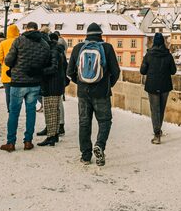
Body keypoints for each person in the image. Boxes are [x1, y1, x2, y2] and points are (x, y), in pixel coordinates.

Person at [68, 23, 120, 166]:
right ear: (100, 34)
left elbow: (70, 71)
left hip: (83, 93)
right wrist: (107, 85)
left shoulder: (78, 48)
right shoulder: (107, 48)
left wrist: (81, 83)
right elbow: (116, 72)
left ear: (87, 34)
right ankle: (100, 145)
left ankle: (85, 156)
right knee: (105, 121)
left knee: (84, 123)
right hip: (102, 92)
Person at [0, 22, 53, 152]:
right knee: (31, 112)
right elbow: (46, 63)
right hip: (34, 83)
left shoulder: (19, 40)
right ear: (37, 29)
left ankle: (11, 142)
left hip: (18, 82)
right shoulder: (44, 44)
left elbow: (8, 60)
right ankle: (28, 141)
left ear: (26, 29)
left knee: (14, 113)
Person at [140, 32, 177, 144]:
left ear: (154, 43)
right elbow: (173, 71)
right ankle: (158, 130)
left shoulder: (149, 55)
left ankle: (157, 134)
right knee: (161, 109)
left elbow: (142, 71)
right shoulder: (168, 55)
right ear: (163, 42)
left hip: (152, 85)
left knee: (154, 109)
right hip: (165, 86)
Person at [37, 32, 69, 147]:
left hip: (52, 84)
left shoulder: (53, 51)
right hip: (57, 83)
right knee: (55, 110)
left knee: (50, 111)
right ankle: (54, 134)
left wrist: (40, 71)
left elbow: (53, 68)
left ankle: (51, 136)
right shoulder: (57, 50)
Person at [0, 25, 19, 110]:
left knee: (8, 93)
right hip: (19, 72)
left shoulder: (3, 43)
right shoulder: (20, 42)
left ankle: (9, 108)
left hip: (6, 71)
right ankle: (16, 108)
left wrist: (4, 63)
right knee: (17, 93)